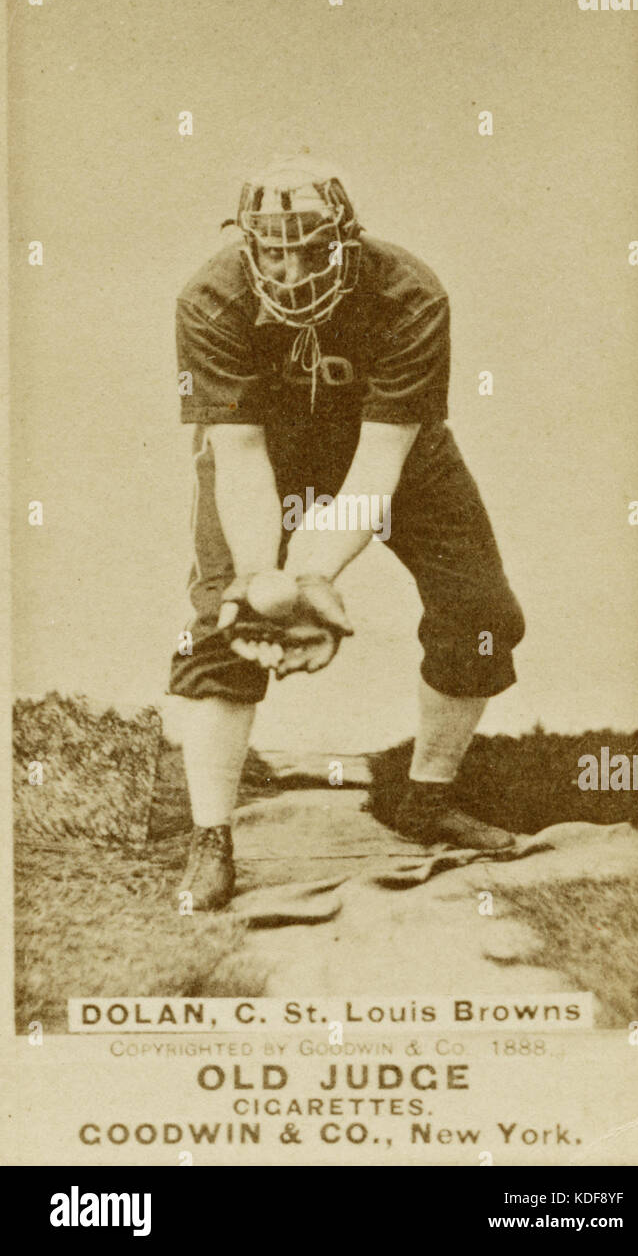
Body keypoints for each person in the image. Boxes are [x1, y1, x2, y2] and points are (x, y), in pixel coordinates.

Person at [169, 156, 525, 910]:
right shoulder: (209, 298)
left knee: (483, 616)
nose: (291, 265)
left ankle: (423, 801)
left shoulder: (408, 291)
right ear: (248, 245)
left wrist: (312, 579)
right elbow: (238, 460)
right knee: (222, 626)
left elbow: (375, 468)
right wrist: (263, 584)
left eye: (310, 247)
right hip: (269, 450)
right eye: (272, 249)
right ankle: (212, 837)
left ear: (346, 240)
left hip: (395, 450)